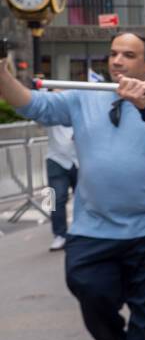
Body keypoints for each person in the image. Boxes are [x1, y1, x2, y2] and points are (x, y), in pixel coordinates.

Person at [1, 33, 145, 340]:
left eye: (129, 55)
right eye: (113, 54)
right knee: (87, 287)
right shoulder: (84, 96)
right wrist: (2, 75)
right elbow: (33, 105)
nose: (118, 61)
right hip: (95, 227)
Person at [44, 105, 77, 251]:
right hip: (55, 158)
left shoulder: (80, 100)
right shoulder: (50, 104)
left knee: (85, 198)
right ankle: (59, 234)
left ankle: (82, 231)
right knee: (54, 198)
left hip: (80, 158)